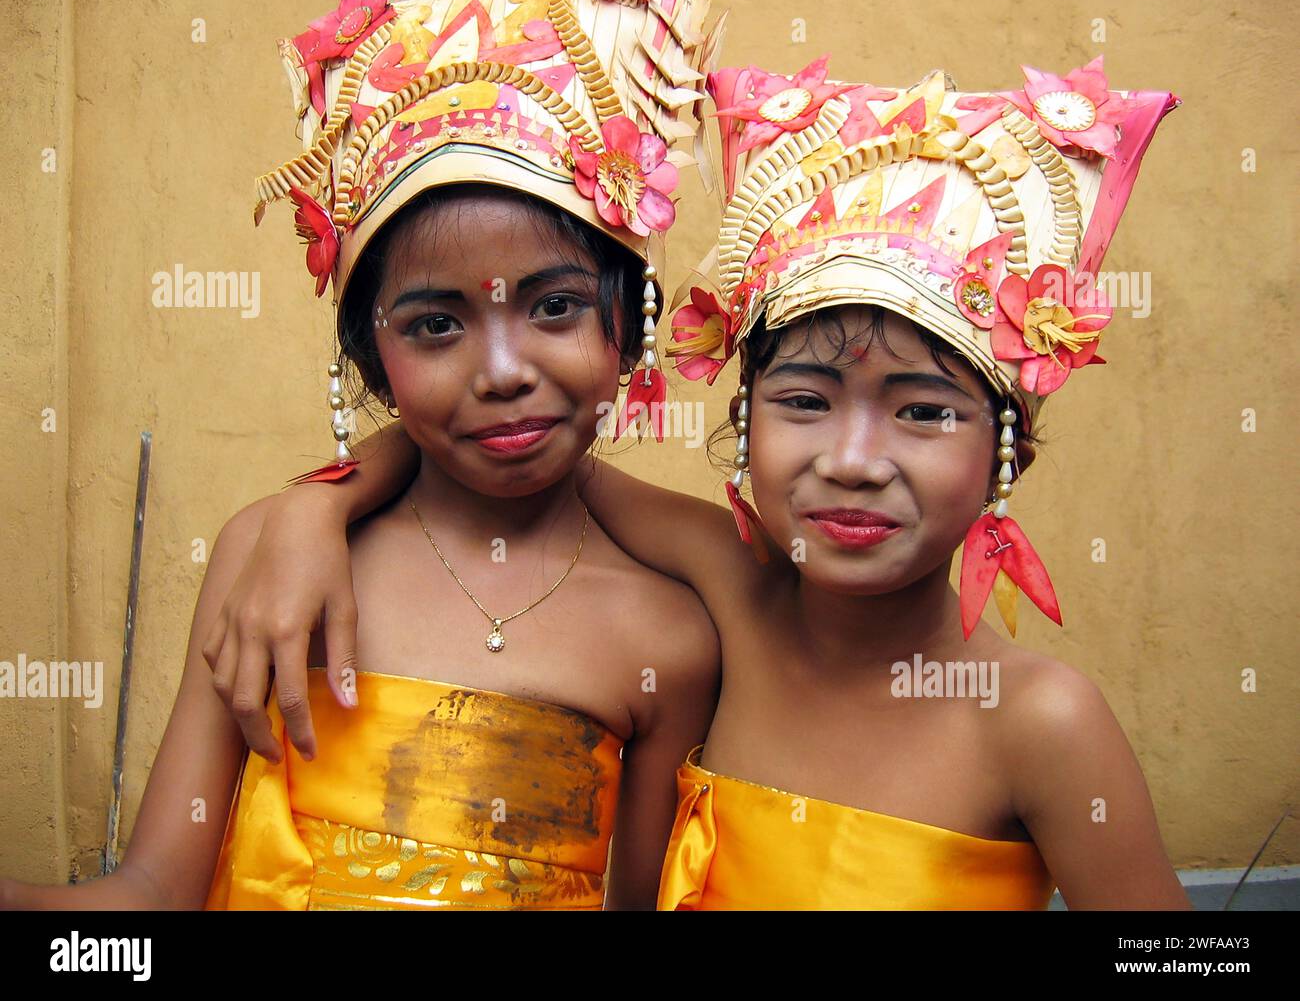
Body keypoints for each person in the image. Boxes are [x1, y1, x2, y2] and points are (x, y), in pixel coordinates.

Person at [202, 54, 1190, 908]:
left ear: (1006, 447)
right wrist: (311, 507)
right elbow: (514, 434)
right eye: (804, 402)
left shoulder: (1038, 719)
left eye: (923, 411)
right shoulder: (735, 596)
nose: (851, 459)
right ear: (745, 423)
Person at [0, 0, 726, 911]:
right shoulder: (272, 561)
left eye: (553, 307)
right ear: (372, 355)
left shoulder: (670, 636)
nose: (503, 371)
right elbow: (143, 907)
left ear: (628, 317)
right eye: (437, 325)